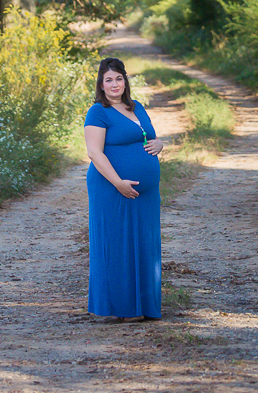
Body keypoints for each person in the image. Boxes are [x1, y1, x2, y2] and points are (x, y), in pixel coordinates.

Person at [84, 56, 164, 320]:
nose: (115, 84)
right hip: (111, 188)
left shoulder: (136, 106)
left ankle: (142, 306)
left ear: (125, 81)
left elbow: (148, 136)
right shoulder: (98, 111)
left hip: (145, 194)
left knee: (144, 242)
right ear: (101, 84)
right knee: (118, 243)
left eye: (119, 78)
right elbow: (95, 153)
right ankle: (121, 308)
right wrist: (118, 183)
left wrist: (159, 144)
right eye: (109, 79)